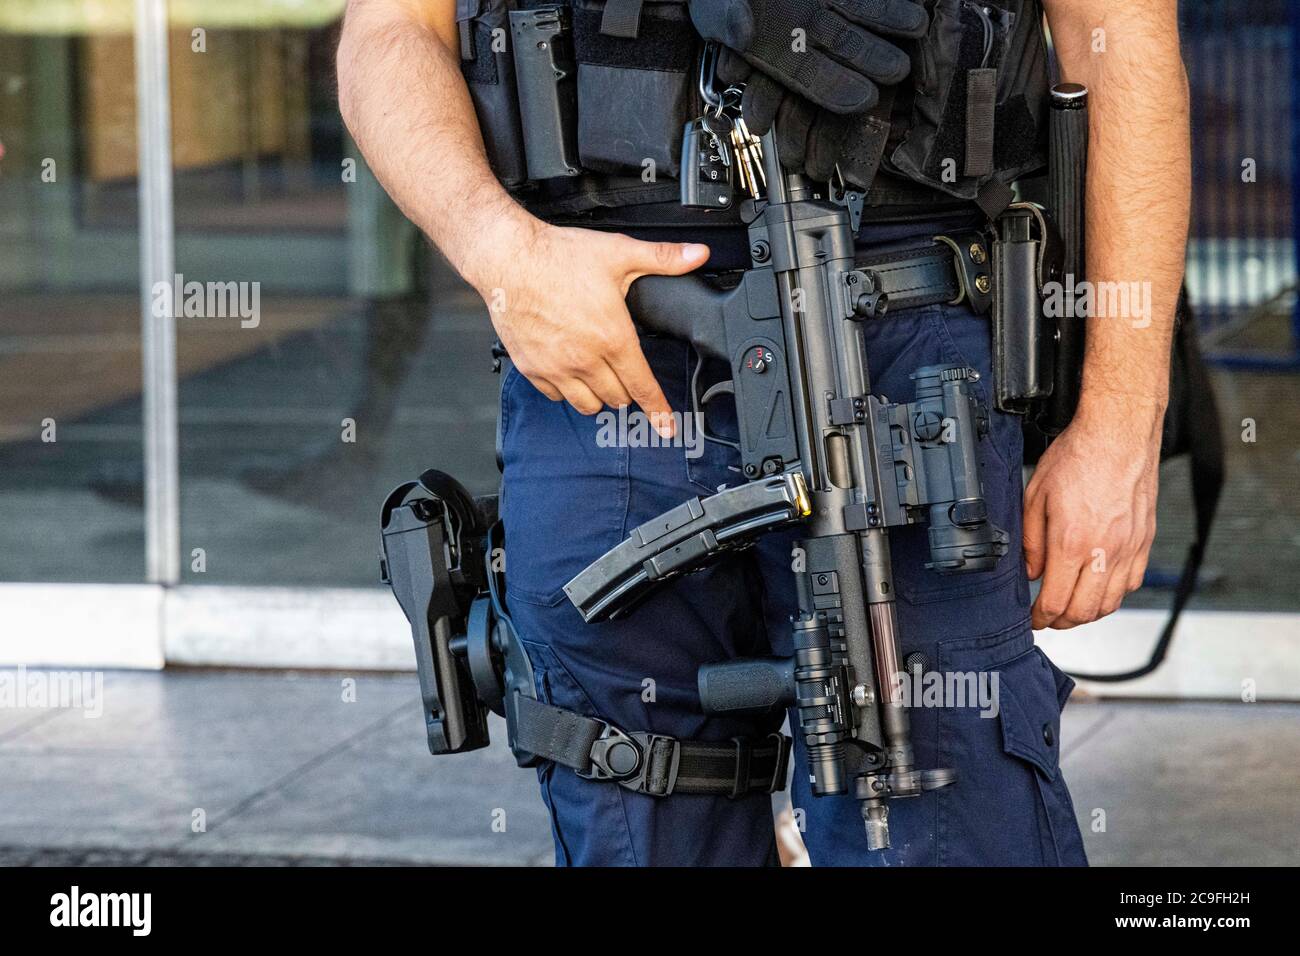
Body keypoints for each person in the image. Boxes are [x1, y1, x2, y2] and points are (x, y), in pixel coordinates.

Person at [337, 0, 1189, 865]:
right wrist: (498, 253)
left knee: (942, 809)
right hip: (604, 357)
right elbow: (390, 30)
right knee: (637, 812)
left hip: (901, 350)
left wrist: (1121, 424)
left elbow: (1121, 34)